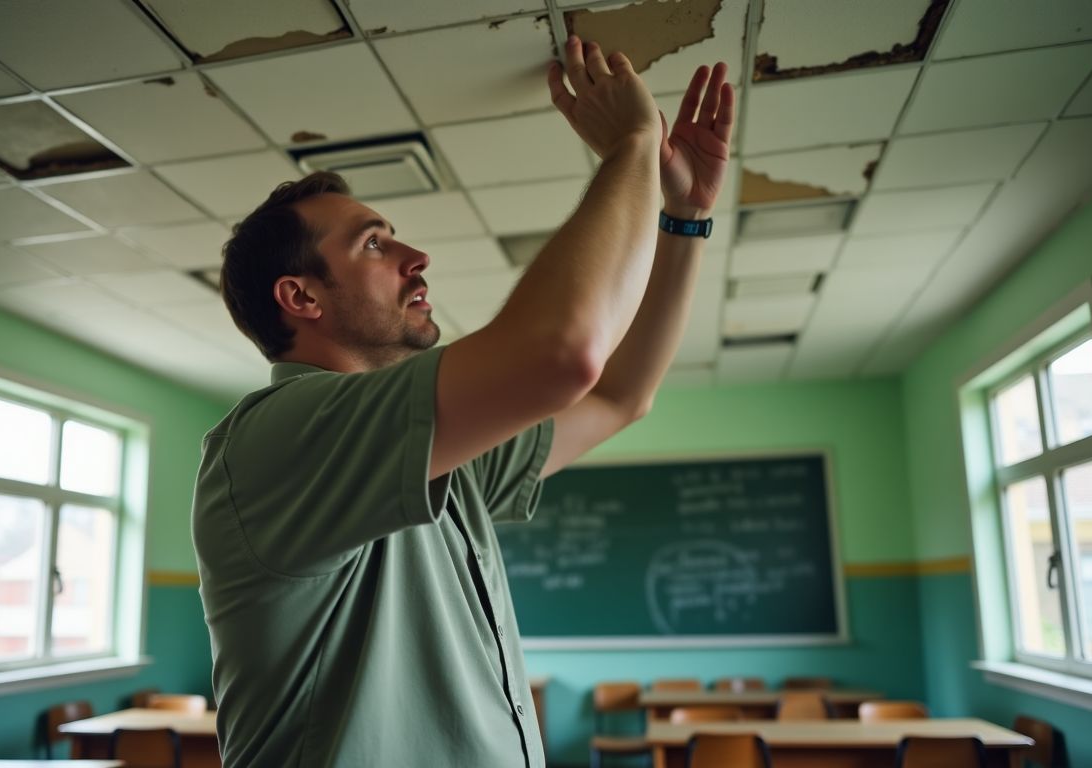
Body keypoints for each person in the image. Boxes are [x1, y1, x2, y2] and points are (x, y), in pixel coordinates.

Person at [192, 35, 736, 768]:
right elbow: (564, 355)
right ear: (300, 297)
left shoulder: (441, 452)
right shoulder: (277, 441)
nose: (416, 258)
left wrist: (683, 219)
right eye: (375, 245)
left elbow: (618, 395)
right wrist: (631, 145)